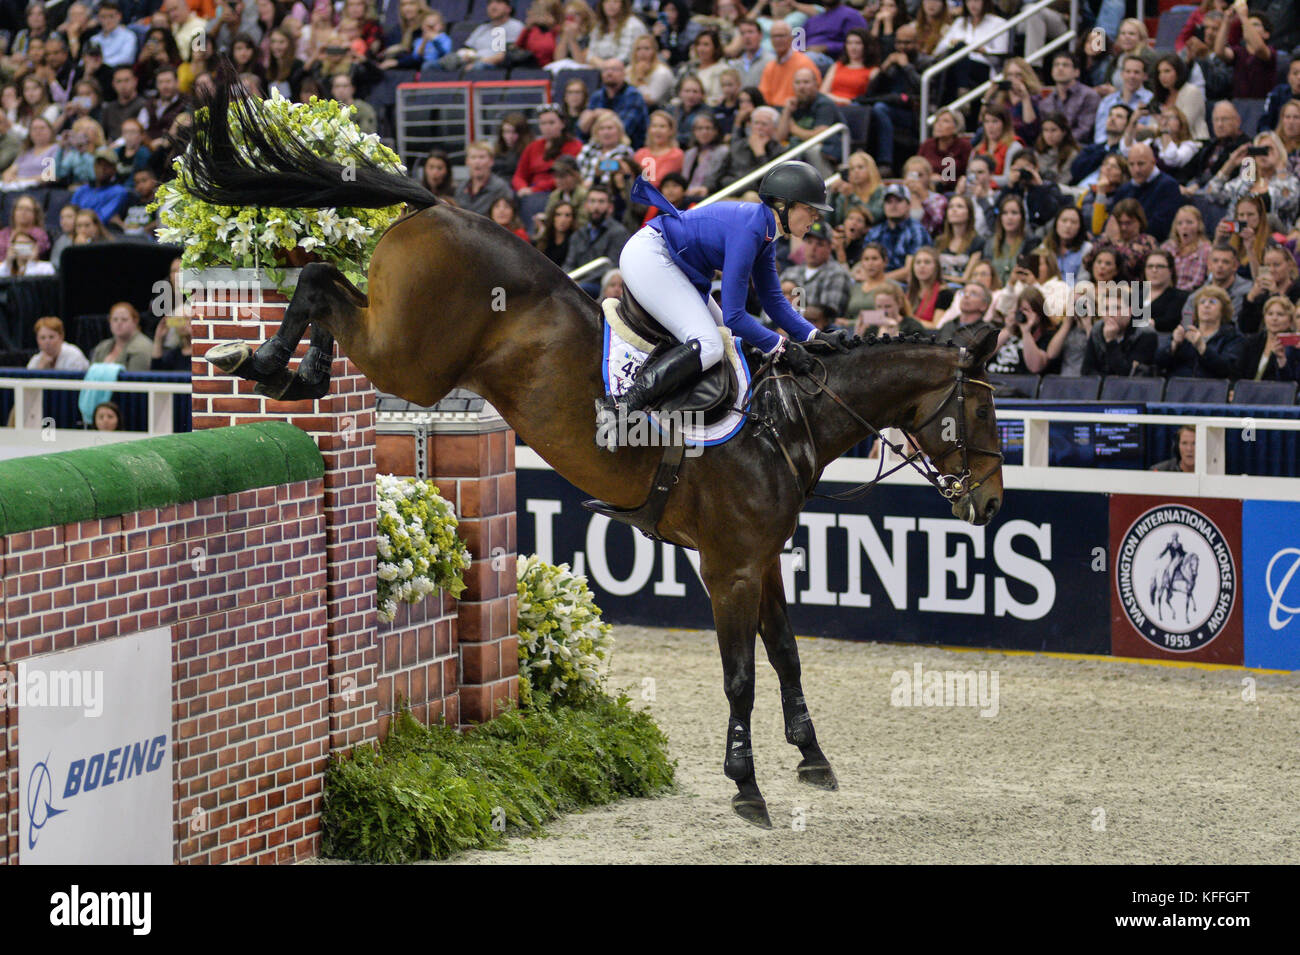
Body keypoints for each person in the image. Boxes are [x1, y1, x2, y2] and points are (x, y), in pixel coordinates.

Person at [595, 160, 844, 442]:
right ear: (785, 205)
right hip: (651, 256)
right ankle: (621, 406)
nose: (815, 219)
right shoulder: (750, 229)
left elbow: (774, 301)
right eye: (810, 210)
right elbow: (735, 316)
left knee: (724, 343)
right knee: (709, 345)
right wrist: (781, 347)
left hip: (677, 264)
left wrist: (815, 336)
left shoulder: (765, 232)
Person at [1205, 132, 1300, 231]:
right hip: (1239, 234)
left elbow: (1287, 202)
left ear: (1279, 153)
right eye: (1259, 150)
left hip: (1272, 235)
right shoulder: (1244, 182)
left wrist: (1280, 168)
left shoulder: (1291, 182)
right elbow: (1211, 194)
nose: (1264, 154)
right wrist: (1231, 163)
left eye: (1269, 149)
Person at [1157, 284, 1244, 377]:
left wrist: (1202, 348)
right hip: (1179, 387)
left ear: (1223, 310)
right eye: (1202, 302)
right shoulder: (1185, 332)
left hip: (1212, 388)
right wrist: (1174, 345)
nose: (1206, 305)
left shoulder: (1232, 337)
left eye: (1212, 302)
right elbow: (1159, 363)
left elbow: (1228, 370)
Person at [780, 219, 853, 318]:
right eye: (809, 242)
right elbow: (770, 305)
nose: (813, 248)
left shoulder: (837, 274)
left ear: (829, 247)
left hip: (818, 330)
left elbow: (827, 315)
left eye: (819, 244)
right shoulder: (790, 272)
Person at [1110, 142, 1182, 242]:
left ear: (1153, 162)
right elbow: (1112, 222)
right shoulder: (1123, 190)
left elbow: (1162, 227)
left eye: (1141, 164)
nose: (1136, 169)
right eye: (1131, 164)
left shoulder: (1168, 186)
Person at [777, 67, 840, 178]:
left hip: (828, 152)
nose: (801, 87)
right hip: (800, 151)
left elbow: (820, 136)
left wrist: (793, 128)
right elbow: (780, 137)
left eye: (806, 82)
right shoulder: (794, 105)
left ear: (816, 84)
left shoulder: (824, 104)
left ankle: (825, 190)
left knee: (812, 149)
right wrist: (786, 111)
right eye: (798, 83)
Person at [863, 183, 931, 281]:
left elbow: (909, 271)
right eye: (889, 202)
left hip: (905, 285)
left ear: (909, 205)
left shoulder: (916, 231)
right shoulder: (875, 231)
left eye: (899, 201)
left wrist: (877, 280)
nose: (893, 206)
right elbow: (864, 262)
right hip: (876, 281)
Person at [707, 103, 783, 192]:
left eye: (764, 124)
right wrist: (706, 187)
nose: (759, 128)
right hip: (729, 191)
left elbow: (771, 183)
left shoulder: (779, 151)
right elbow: (718, 172)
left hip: (754, 196)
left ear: (774, 128)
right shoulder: (738, 146)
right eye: (756, 123)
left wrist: (760, 154)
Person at [1081, 294, 1157, 376]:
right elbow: (1087, 371)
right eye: (1106, 308)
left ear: (1130, 311)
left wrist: (1111, 341)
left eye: (1117, 308)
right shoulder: (1097, 329)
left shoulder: (1146, 334)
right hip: (1103, 387)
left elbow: (1129, 374)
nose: (1110, 313)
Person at [1085, 198, 1159, 282]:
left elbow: (1130, 267)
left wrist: (1117, 241)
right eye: (1120, 223)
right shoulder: (1106, 240)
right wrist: (1106, 239)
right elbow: (1087, 262)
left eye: (1129, 223)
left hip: (1136, 290)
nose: (1123, 228)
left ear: (1140, 221)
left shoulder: (1147, 241)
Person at [580, 59, 648, 150]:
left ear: (624, 73)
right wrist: (593, 116)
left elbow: (624, 129)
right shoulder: (597, 96)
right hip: (598, 148)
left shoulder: (633, 96)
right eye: (605, 70)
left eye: (614, 69)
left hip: (629, 149)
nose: (609, 73)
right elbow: (582, 129)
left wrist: (601, 114)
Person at [514, 105, 582, 194]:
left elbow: (567, 176)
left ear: (562, 124)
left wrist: (534, 190)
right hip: (529, 192)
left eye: (551, 123)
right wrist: (522, 188)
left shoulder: (574, 145)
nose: (547, 127)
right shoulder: (532, 147)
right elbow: (519, 175)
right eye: (543, 123)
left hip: (558, 192)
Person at [1214, 2, 1276, 100]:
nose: (1249, 27)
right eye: (1248, 25)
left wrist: (1243, 17)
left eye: (1255, 25)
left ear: (1266, 34)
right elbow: (1219, 51)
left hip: (1261, 105)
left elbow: (1259, 48)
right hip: (1239, 105)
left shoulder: (1271, 52)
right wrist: (1226, 21)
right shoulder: (1239, 52)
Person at [1182, 241, 1255, 324]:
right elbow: (1186, 322)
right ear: (1209, 265)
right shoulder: (1196, 296)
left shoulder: (1248, 290)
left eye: (1225, 262)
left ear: (1235, 266)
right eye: (1215, 261)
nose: (1220, 265)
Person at [563, 184, 629, 272]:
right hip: (576, 283)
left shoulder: (619, 233)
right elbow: (569, 264)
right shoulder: (577, 235)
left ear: (610, 207)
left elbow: (612, 267)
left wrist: (580, 282)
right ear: (585, 206)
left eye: (601, 201)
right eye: (592, 201)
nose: (596, 207)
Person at [1238, 242, 1300, 334]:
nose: (1271, 270)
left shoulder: (1297, 289)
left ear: (1289, 265)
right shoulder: (1262, 293)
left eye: (1276, 265)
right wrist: (1250, 298)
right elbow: (1246, 328)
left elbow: (1292, 322)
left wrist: (1275, 294)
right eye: (1267, 266)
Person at [758, 19, 820, 109]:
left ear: (791, 38)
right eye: (774, 36)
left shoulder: (804, 63)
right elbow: (763, 95)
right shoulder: (770, 66)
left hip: (796, 110)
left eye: (781, 36)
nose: (778, 40)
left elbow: (814, 92)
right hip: (772, 111)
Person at [1186, 101, 1249, 191]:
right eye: (1216, 120)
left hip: (1221, 192)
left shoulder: (1245, 147)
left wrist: (1197, 186)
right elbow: (1189, 169)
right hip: (1195, 185)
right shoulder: (1210, 145)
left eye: (1224, 119)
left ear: (1238, 121)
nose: (1220, 124)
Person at [1042, 51, 1099, 147]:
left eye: (1065, 65)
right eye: (1056, 65)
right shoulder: (1046, 102)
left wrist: (1060, 140)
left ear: (1077, 72)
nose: (1060, 68)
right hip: (1052, 148)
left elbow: (1085, 130)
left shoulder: (1088, 96)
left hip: (1079, 148)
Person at [1093, 56, 1153, 147]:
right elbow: (1099, 135)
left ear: (1145, 76)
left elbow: (1149, 134)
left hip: (1134, 150)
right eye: (1128, 71)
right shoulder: (1108, 101)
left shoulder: (1151, 100)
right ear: (1122, 74)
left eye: (1136, 72)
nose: (1132, 76)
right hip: (1105, 150)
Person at [1238, 295, 1300, 380]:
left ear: (1290, 320)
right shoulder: (1252, 342)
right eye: (1270, 314)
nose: (1274, 318)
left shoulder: (1294, 346)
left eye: (1280, 314)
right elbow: (1238, 371)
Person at [454, 140, 514, 217]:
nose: (477, 161)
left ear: (491, 161)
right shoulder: (461, 188)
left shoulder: (500, 188)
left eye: (481, 157)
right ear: (467, 161)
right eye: (473, 157)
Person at [934, 194, 985, 283]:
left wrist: (943, 279)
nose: (954, 210)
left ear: (969, 214)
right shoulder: (939, 241)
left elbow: (966, 279)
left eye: (960, 206)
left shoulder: (977, 242)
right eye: (951, 207)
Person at [918, 108, 971, 193]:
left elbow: (968, 173)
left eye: (945, 121)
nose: (939, 125)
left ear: (956, 127)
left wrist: (944, 180)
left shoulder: (964, 146)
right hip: (927, 190)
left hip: (954, 191)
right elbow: (916, 166)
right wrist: (929, 177)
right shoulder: (927, 145)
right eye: (937, 121)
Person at [1161, 205, 1212, 291]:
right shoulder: (1167, 247)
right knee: (1136, 296)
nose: (1184, 227)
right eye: (1180, 223)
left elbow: (1197, 283)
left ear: (1199, 225)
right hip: (1163, 291)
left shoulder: (1206, 250)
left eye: (1189, 222)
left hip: (1188, 295)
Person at [89, 301, 153, 371]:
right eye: (115, 319)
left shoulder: (142, 347)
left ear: (135, 321)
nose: (119, 323)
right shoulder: (102, 347)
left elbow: (135, 379)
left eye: (124, 320)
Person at [1142, 249, 1190, 333]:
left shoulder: (1181, 297)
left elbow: (1170, 322)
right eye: (1150, 266)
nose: (1154, 270)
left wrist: (1152, 323)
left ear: (1170, 270)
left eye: (1160, 266)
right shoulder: (1135, 295)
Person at [1041, 205, 1090, 280]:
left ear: (1080, 226)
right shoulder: (1045, 246)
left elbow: (1083, 281)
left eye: (1073, 222)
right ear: (1056, 223)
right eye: (1064, 220)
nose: (1068, 226)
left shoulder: (1087, 249)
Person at [535, 199, 577, 265]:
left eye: (567, 215)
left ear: (573, 219)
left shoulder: (576, 241)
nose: (563, 220)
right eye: (558, 214)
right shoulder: (545, 240)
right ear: (552, 217)